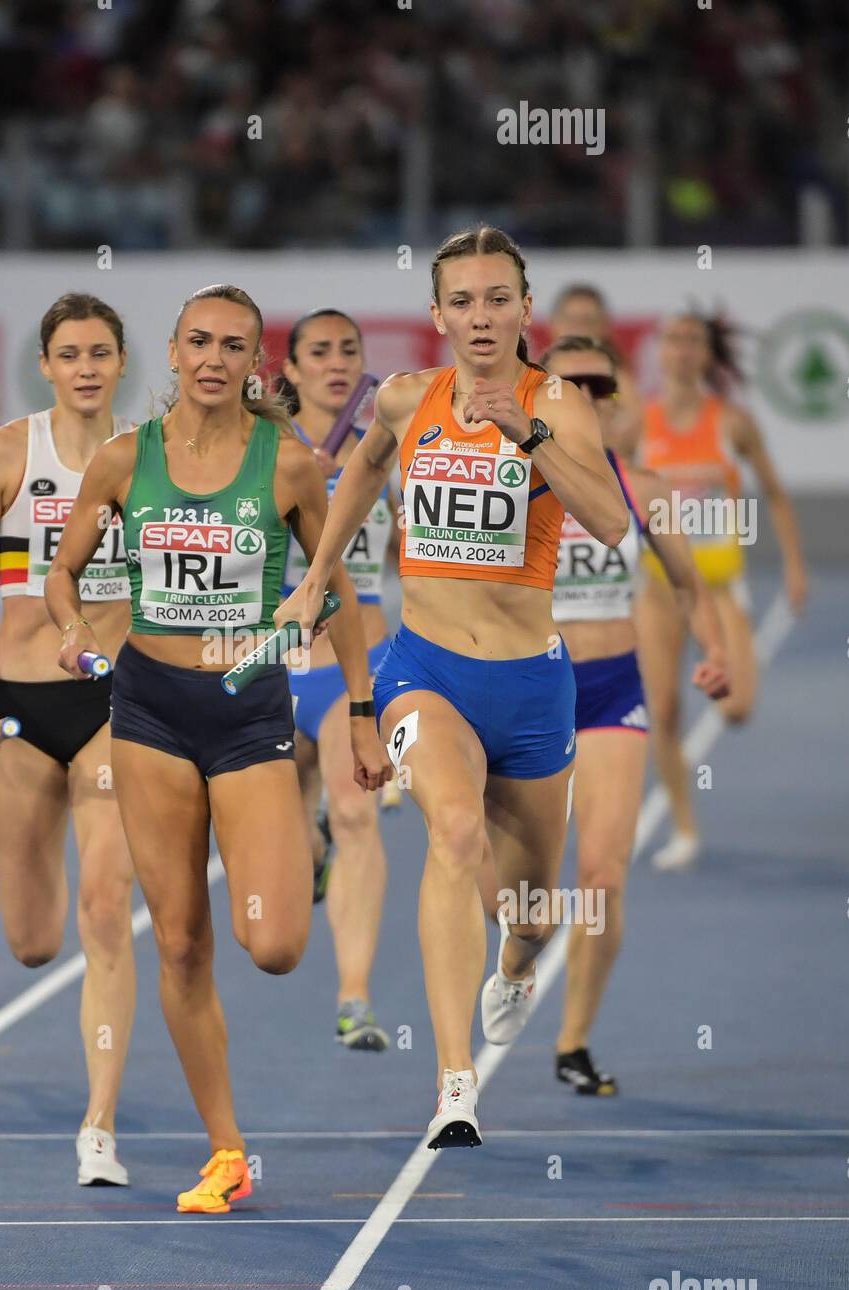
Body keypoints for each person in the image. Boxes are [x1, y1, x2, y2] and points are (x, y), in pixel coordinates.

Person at [278, 226, 629, 1149]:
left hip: (531, 684)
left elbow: (609, 521)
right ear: (436, 314)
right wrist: (317, 576)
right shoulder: (403, 398)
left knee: (527, 914)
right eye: (461, 301)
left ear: (524, 307)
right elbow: (357, 472)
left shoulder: (558, 401)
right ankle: (454, 1080)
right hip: (424, 670)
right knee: (452, 829)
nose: (479, 316)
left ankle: (512, 971)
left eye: (497, 298)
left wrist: (533, 435)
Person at [47, 284, 389, 1213]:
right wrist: (78, 633)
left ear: (253, 363)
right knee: (182, 944)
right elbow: (62, 570)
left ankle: (300, 845)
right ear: (172, 349)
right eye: (197, 341)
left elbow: (338, 591)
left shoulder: (288, 466)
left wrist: (358, 706)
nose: (212, 357)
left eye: (232, 346)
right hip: (149, 707)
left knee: (273, 944)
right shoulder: (125, 460)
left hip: (247, 714)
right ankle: (227, 1151)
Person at [0, 293, 139, 1185]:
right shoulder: (7, 453)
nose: (87, 367)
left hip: (116, 704)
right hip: (17, 708)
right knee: (32, 942)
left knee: (106, 906)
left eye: (101, 352)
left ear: (121, 363)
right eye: (70, 353)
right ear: (48, 365)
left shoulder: (154, 455)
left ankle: (98, 1123)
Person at [539, 335, 729, 1094]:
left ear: (617, 401)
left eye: (599, 384)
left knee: (601, 875)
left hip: (612, 690)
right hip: (527, 690)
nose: (586, 395)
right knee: (507, 894)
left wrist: (709, 647)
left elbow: (688, 583)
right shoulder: (509, 487)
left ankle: (572, 1041)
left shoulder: (642, 490)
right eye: (568, 384)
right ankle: (517, 960)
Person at [638, 312, 808, 870]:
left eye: (693, 341)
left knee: (735, 707)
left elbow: (776, 494)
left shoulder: (732, 423)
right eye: (672, 340)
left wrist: (794, 566)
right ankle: (685, 829)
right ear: (660, 352)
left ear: (707, 356)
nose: (681, 350)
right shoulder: (638, 423)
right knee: (662, 711)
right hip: (660, 587)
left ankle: (687, 813)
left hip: (718, 585)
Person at [278, 308, 399, 1050]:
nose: (333, 362)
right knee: (298, 840)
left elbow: (424, 547)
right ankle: (311, 847)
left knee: (358, 816)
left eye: (347, 351)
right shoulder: (261, 449)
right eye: (316, 352)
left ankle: (354, 996)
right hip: (269, 659)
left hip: (359, 660)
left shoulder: (385, 450)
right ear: (288, 372)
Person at [549, 284, 644, 459]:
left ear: (605, 326)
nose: (578, 329)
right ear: (554, 323)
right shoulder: (536, 374)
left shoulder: (619, 381)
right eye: (571, 320)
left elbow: (632, 432)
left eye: (587, 321)